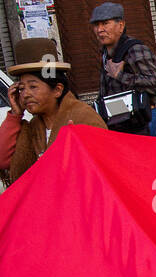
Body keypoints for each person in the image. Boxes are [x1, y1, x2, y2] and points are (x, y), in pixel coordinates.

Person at [0, 38, 106, 182]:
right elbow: (3, 159)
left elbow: (101, 169)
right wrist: (15, 114)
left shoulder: (83, 117)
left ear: (57, 90)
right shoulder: (34, 127)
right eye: (22, 88)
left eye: (33, 87)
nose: (25, 94)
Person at [90, 2, 156, 137]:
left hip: (145, 122)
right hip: (121, 123)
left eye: (105, 23)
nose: (100, 29)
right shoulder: (105, 54)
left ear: (121, 25)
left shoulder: (135, 50)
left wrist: (120, 75)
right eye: (96, 25)